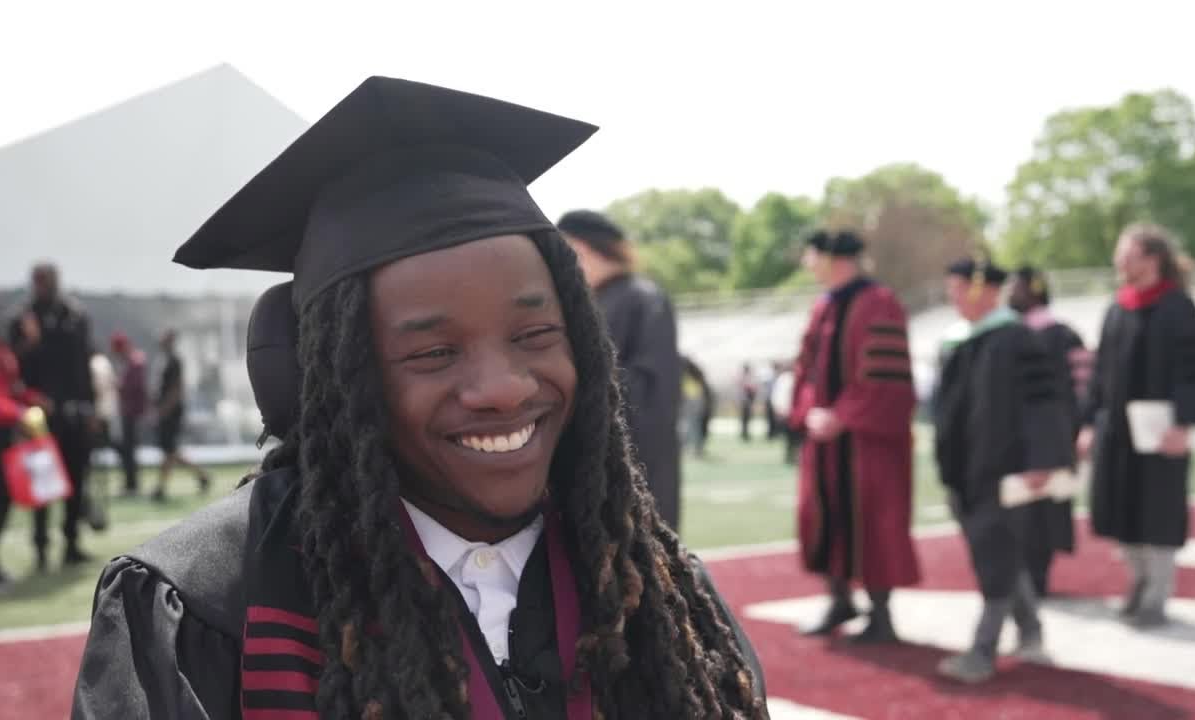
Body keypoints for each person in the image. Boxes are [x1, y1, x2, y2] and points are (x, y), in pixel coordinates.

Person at [72, 76, 767, 720]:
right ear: (327, 382)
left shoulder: (652, 594)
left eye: (534, 334)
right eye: (433, 352)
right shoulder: (206, 602)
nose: (502, 388)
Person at [932, 254, 1074, 684]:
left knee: (995, 555)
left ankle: (982, 650)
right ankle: (1031, 632)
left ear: (982, 288)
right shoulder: (961, 340)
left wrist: (1041, 460)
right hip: (967, 469)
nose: (952, 297)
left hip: (1005, 467)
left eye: (958, 289)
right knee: (998, 553)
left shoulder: (1017, 338)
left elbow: (1044, 403)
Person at [789, 229, 920, 643]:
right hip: (826, 439)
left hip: (867, 441)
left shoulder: (879, 302)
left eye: (811, 256)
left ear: (830, 258)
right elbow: (805, 369)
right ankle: (839, 599)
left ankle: (882, 614)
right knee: (822, 516)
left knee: (875, 520)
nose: (807, 263)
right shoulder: (822, 306)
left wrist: (843, 416)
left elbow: (885, 376)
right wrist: (811, 412)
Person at [1079, 223, 1195, 628]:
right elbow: (1101, 373)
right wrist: (1088, 423)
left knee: (1158, 510)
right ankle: (1137, 583)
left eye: (1126, 253)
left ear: (1151, 259)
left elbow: (1194, 371)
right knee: (1122, 507)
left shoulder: (1177, 307)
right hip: (1117, 430)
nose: (1119, 260)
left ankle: (1157, 595)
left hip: (1160, 430)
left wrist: (1184, 424)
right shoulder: (1118, 307)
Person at [556, 209, 683, 532]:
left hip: (632, 468)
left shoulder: (644, 299)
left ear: (578, 248)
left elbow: (654, 395)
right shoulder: (585, 304)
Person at [7, 262, 96, 570]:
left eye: (47, 281)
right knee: (43, 481)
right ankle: (41, 549)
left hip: (73, 410)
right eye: (39, 281)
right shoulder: (23, 318)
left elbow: (85, 363)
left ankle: (71, 543)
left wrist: (90, 406)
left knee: (76, 478)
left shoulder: (75, 315)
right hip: (38, 414)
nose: (43, 286)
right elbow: (12, 365)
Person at [1008, 266, 1089, 597]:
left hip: (1054, 436)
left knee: (1044, 511)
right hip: (1016, 439)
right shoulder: (1009, 333)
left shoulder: (1062, 335)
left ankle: (1038, 575)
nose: (1011, 293)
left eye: (1017, 287)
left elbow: (1082, 387)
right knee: (1020, 510)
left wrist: (1078, 428)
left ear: (1034, 290)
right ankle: (1028, 576)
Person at [0, 286, 47, 591]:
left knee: (2, 496)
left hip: (1, 433)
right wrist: (18, 413)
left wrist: (32, 401)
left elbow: (10, 387)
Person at [152, 329, 211, 501]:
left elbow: (177, 389)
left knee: (169, 451)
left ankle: (161, 488)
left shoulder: (175, 361)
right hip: (167, 411)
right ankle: (201, 475)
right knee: (170, 451)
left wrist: (165, 409)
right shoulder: (166, 361)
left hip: (171, 413)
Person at [110, 332, 148, 497]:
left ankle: (132, 485)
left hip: (133, 413)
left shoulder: (135, 361)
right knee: (127, 450)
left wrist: (119, 386)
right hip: (128, 412)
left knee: (129, 450)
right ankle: (130, 483)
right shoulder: (130, 362)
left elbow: (135, 387)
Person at [737, 363, 757, 441]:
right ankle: (744, 434)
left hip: (747, 401)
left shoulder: (748, 378)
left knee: (747, 419)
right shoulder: (744, 378)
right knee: (744, 419)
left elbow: (753, 389)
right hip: (744, 401)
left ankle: (745, 434)